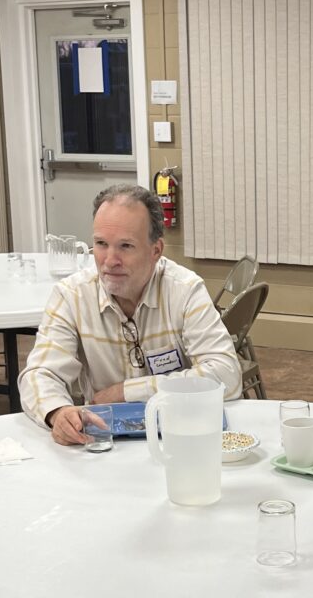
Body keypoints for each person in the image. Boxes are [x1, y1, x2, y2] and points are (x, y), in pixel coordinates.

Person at [20, 184, 241, 445]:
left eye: (125, 246)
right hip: (102, 440)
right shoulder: (71, 295)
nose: (109, 260)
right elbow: (39, 374)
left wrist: (126, 392)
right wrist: (58, 412)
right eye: (101, 244)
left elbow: (226, 374)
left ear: (155, 250)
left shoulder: (184, 290)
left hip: (178, 437)